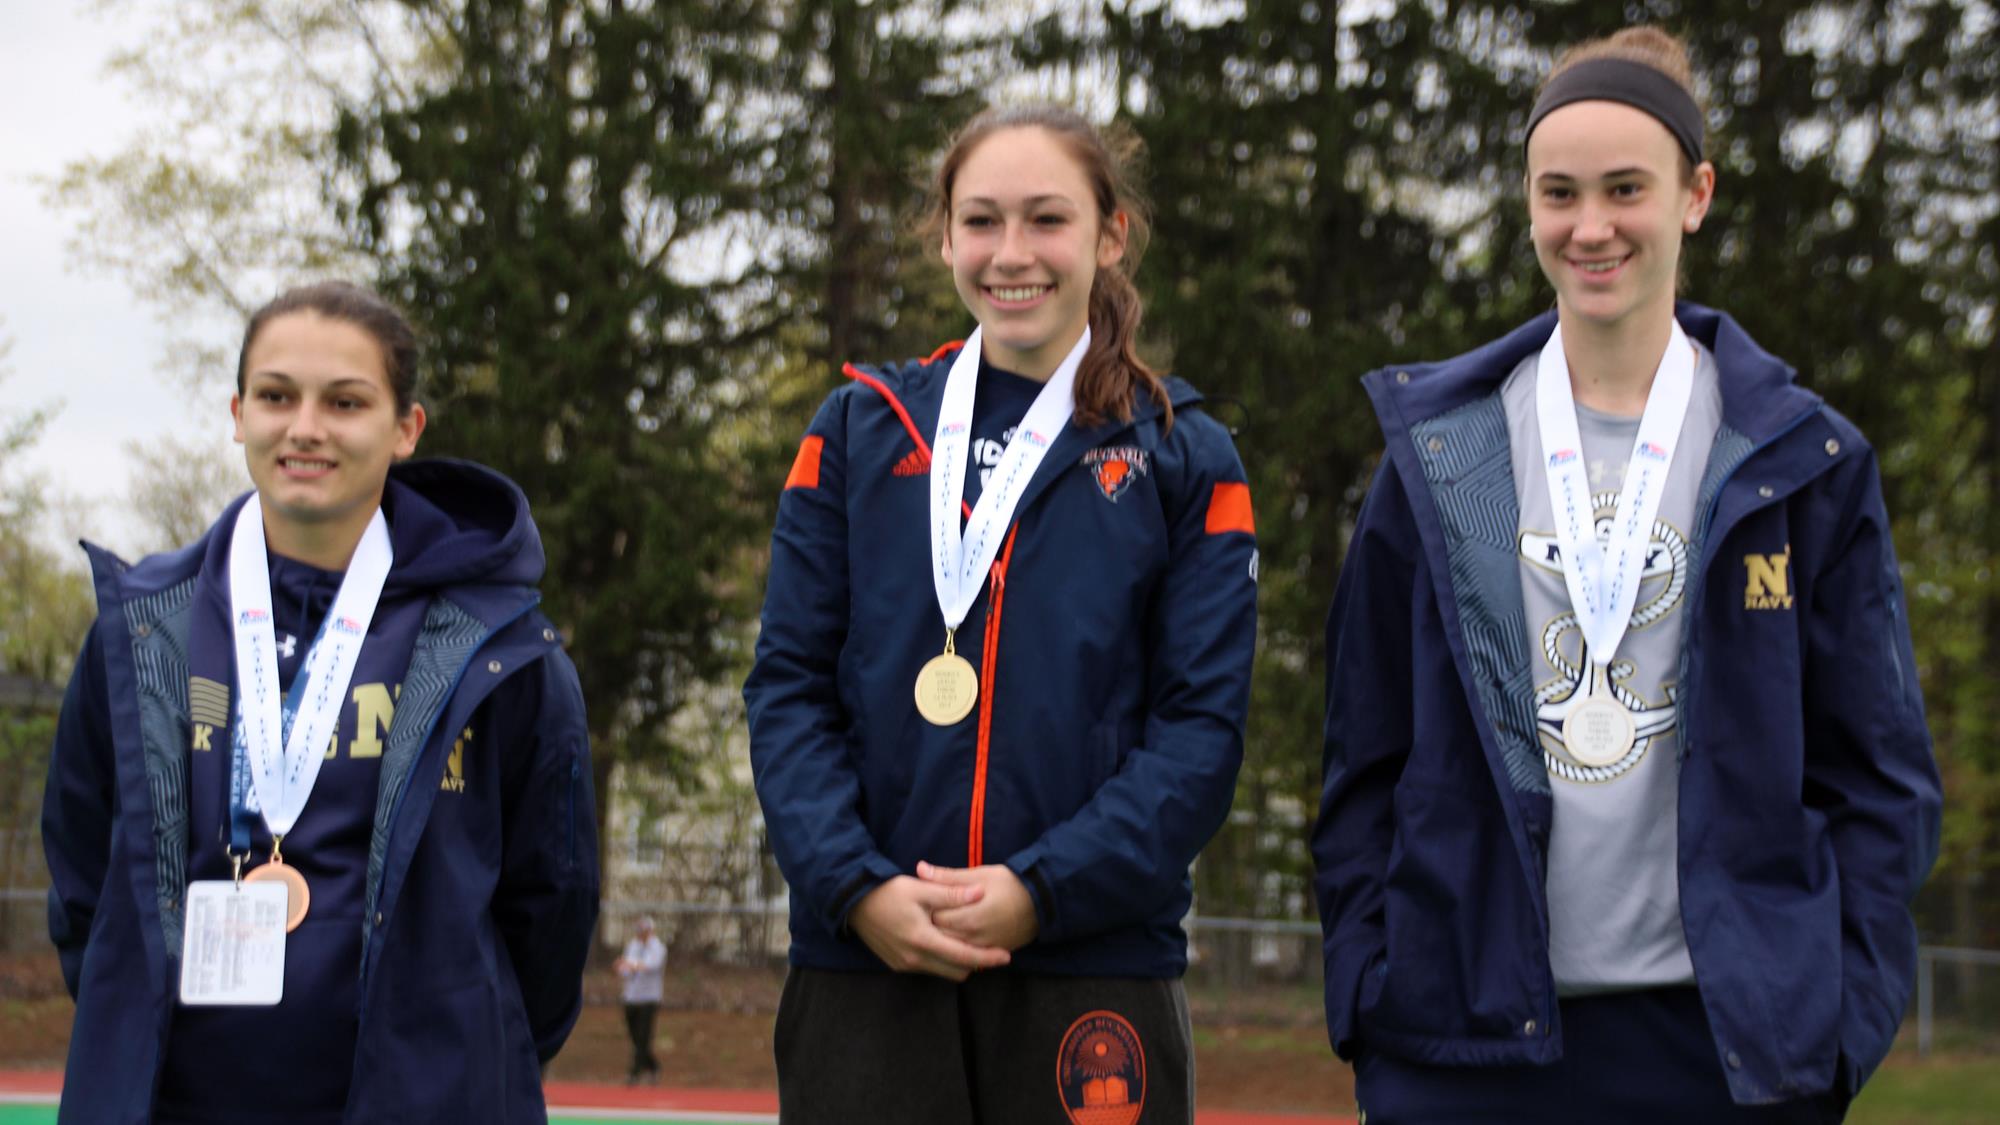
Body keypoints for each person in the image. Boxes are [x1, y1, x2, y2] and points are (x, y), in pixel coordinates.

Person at [1310, 25, 1942, 1123]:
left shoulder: (1798, 458)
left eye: (1623, 189)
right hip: (1465, 1044)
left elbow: (1879, 777)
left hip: (1723, 1053)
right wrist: (1374, 989)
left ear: (1693, 195)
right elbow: (1362, 756)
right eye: (1557, 193)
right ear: (1526, 205)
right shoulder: (1440, 454)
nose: (1588, 226)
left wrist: (1833, 1021)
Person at [743, 104, 1258, 1124]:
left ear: (1108, 235)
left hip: (1090, 963)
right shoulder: (855, 432)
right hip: (866, 959)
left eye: (1046, 220)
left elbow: (1198, 735)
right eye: (980, 221)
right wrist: (856, 888)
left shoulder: (1182, 457)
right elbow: (787, 689)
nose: (1010, 254)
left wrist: (1040, 890)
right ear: (943, 237)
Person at [42, 281, 600, 1124]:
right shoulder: (143, 630)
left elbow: (549, 906)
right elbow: (83, 877)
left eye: (345, 401)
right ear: (238, 414)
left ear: (405, 427)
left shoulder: (497, 645)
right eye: (276, 396)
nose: (305, 427)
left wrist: (462, 1046)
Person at [615, 915, 667, 1084]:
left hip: (649, 998)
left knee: (643, 1036)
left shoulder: (657, 947)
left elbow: (650, 966)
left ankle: (634, 1073)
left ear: (650, 931)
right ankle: (653, 1067)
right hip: (631, 997)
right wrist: (624, 967)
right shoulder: (633, 946)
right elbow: (624, 970)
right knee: (635, 1037)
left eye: (644, 930)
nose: (640, 934)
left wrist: (631, 965)